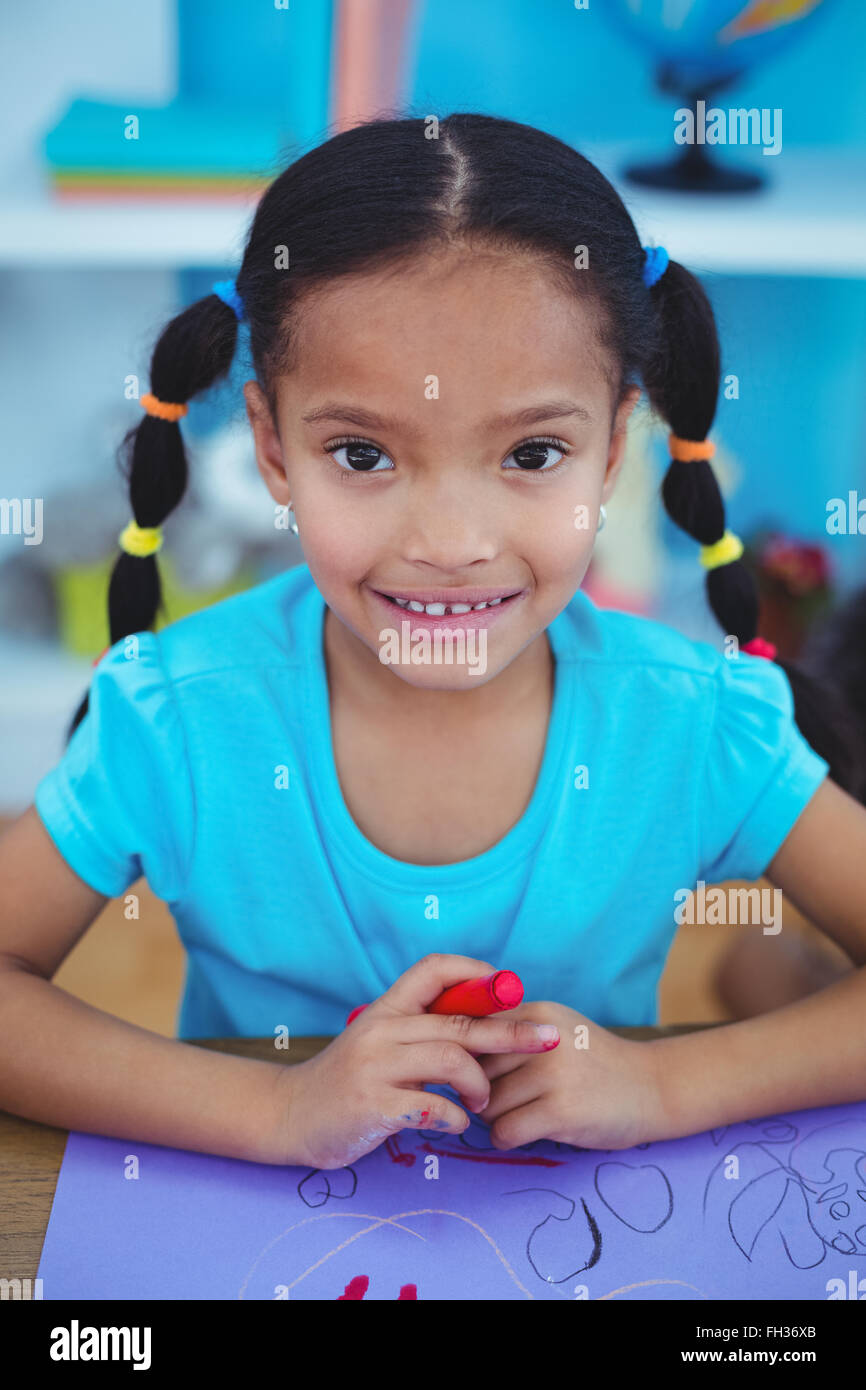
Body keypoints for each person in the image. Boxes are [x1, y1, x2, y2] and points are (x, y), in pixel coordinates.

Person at [2, 113, 865, 1171]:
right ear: (271, 447)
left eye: (531, 452)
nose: (449, 546)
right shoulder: (182, 713)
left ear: (612, 449)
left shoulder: (691, 721)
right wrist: (274, 1108)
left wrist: (665, 1080)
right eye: (363, 454)